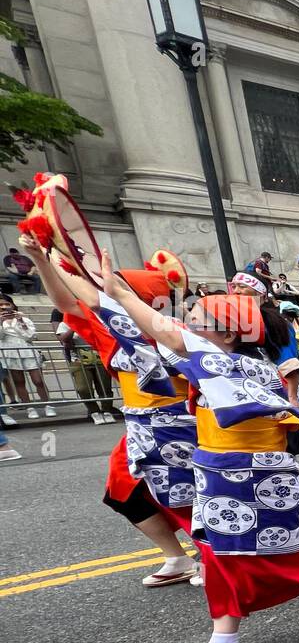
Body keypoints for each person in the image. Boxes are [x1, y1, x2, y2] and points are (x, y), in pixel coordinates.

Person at [94, 253, 299, 643]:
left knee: (275, 552)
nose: (188, 326)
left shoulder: (225, 363)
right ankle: (227, 636)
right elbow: (164, 336)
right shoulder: (224, 362)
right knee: (226, 555)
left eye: (199, 321)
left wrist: (122, 294)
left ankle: (247, 633)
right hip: (225, 473)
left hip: (250, 476)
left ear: (229, 334)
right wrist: (115, 293)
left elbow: (165, 333)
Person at [27, 235, 200, 587]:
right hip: (140, 431)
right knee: (122, 492)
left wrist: (63, 257)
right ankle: (177, 557)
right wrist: (42, 260)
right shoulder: (113, 334)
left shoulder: (176, 334)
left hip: (184, 429)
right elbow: (67, 302)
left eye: (120, 290)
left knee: (191, 498)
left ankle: (218, 558)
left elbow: (91, 297)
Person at [0, 298, 56, 418]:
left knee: (38, 381)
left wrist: (20, 321)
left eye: (7, 304)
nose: (4, 307)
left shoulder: (24, 319)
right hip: (10, 353)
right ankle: (29, 408)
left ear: (12, 305)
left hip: (28, 351)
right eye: (1, 305)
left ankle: (48, 405)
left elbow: (31, 336)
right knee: (19, 382)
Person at [56, 315, 116, 423]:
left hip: (100, 359)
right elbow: (63, 340)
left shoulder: (95, 320)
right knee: (83, 388)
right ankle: (94, 411)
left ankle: (107, 410)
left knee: (104, 387)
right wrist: (75, 326)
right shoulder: (65, 324)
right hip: (79, 361)